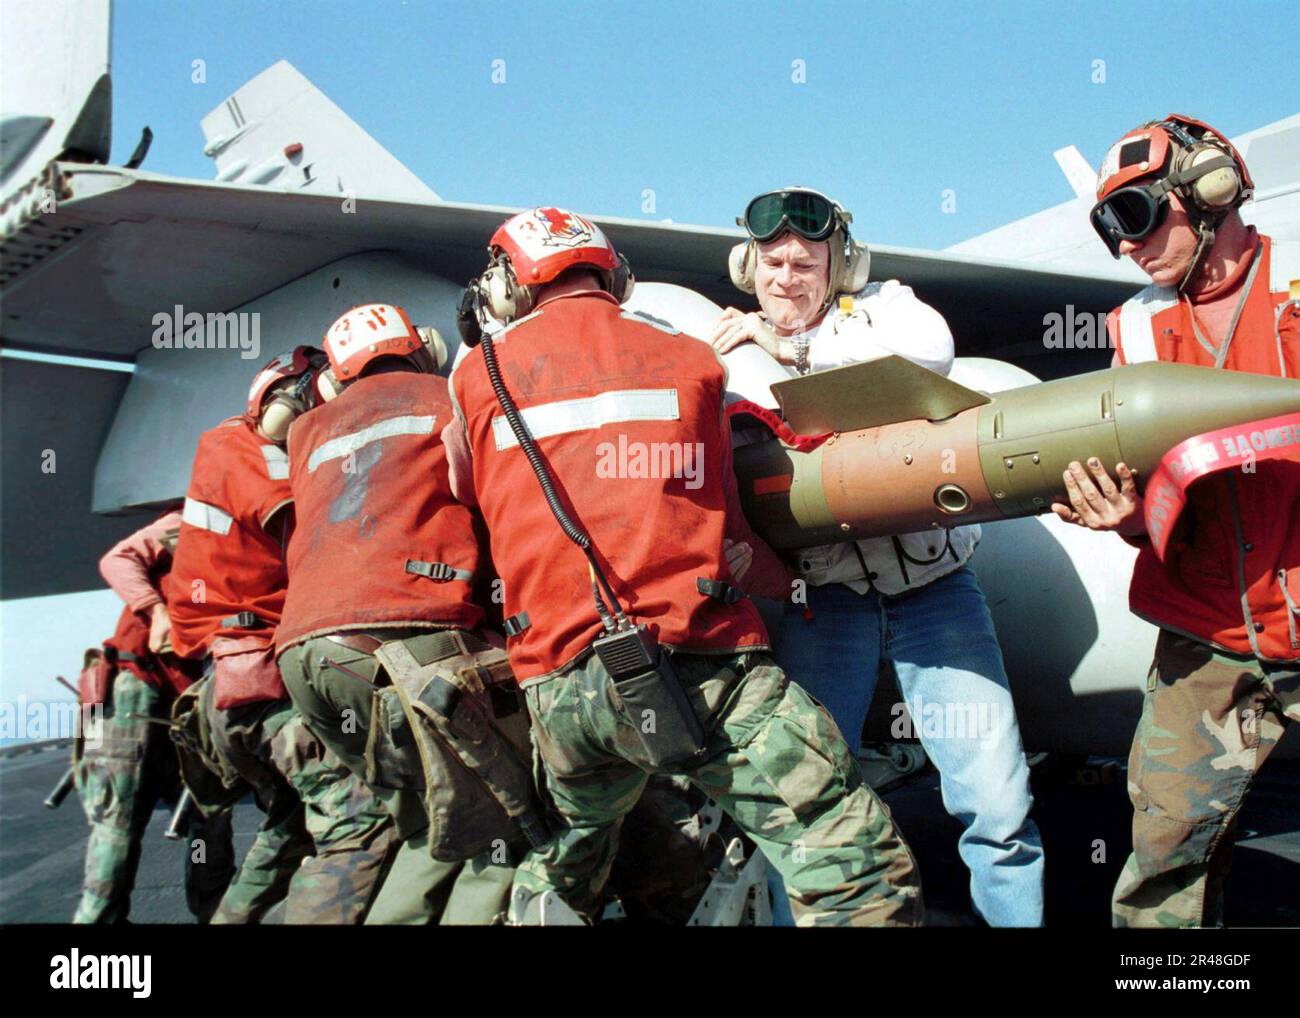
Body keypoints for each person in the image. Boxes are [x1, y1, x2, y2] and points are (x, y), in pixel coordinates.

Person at [447, 206, 922, 926]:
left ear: (510, 284)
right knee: (853, 867)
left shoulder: (477, 379)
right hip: (694, 669)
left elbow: (464, 486)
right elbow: (741, 504)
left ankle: (540, 904)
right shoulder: (692, 360)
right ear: (616, 276)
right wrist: (798, 587)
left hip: (556, 687)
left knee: (576, 848)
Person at [712, 187, 1043, 927]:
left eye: (806, 262)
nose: (787, 277)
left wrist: (793, 351)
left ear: (841, 267)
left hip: (937, 593)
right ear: (748, 265)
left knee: (997, 805)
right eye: (773, 262)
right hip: (821, 604)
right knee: (802, 807)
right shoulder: (731, 361)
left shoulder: (887, 312)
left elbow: (927, 356)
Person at [1054, 114, 1300, 927]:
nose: (1126, 246)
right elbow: (1150, 477)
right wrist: (1126, 519)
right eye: (1108, 230)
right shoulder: (1136, 326)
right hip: (1205, 638)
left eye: (1136, 217)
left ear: (1209, 193)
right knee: (1166, 857)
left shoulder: (1296, 283)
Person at [276, 305, 515, 924]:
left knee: (426, 827)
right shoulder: (451, 396)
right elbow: (495, 505)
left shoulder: (307, 433)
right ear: (422, 349)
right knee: (503, 825)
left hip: (305, 658)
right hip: (400, 642)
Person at [168, 347, 398, 923]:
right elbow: (318, 526)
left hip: (231, 689)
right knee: (360, 823)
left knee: (292, 825)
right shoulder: (244, 450)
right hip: (260, 686)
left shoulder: (227, 445)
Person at [73, 511, 236, 923]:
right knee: (117, 823)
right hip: (130, 691)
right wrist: (155, 610)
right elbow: (117, 560)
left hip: (197, 703)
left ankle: (219, 915)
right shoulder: (192, 521)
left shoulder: (257, 546)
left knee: (211, 818)